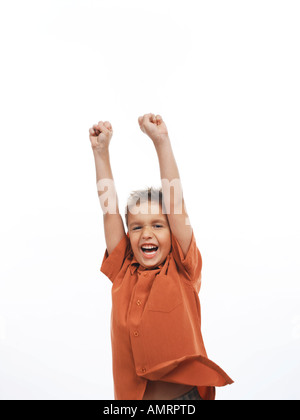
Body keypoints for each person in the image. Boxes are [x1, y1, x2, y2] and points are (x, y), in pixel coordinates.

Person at [89, 114, 233, 400]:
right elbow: (109, 211)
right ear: (128, 235)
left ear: (171, 230)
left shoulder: (183, 267)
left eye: (157, 225)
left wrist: (161, 141)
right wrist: (100, 152)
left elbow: (176, 203)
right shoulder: (122, 269)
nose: (147, 234)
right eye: (137, 227)